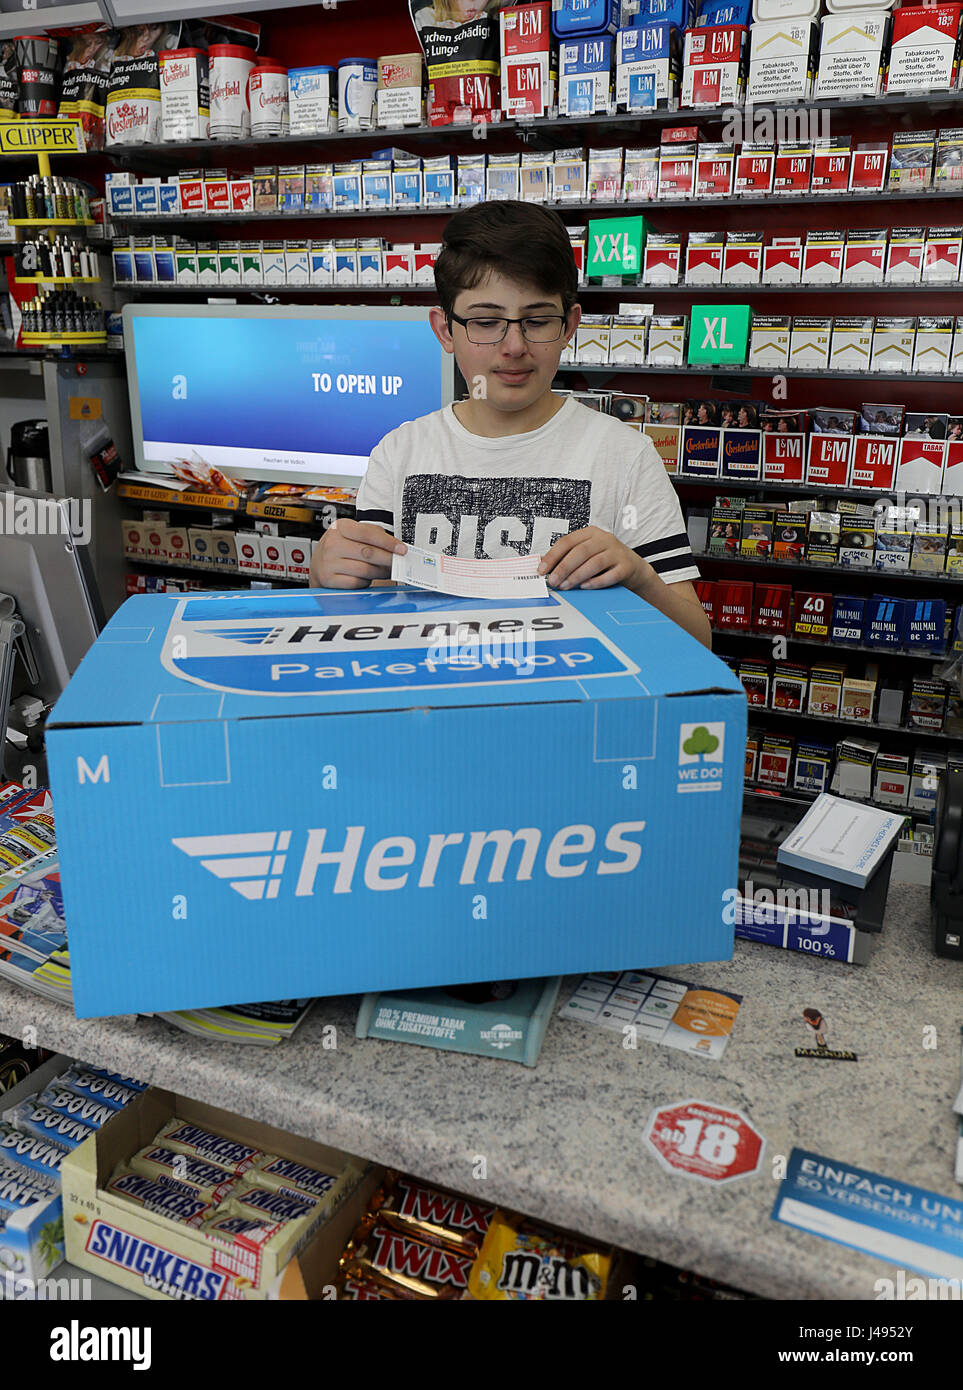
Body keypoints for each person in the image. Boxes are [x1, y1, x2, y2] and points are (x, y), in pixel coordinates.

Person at [310, 200, 710, 647]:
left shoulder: (625, 456)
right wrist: (326, 580)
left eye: (537, 321)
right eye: (486, 321)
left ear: (570, 325)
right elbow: (364, 618)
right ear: (445, 330)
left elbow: (697, 642)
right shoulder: (400, 452)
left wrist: (639, 579)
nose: (514, 346)